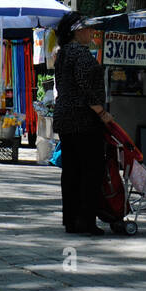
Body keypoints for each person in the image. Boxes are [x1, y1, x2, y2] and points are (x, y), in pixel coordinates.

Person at [53, 12, 115, 235]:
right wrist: (101, 112)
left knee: (71, 171)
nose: (92, 32)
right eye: (89, 29)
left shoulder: (62, 54)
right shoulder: (80, 53)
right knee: (90, 171)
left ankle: (70, 219)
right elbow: (85, 86)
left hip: (66, 118)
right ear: (77, 31)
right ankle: (86, 220)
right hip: (84, 120)